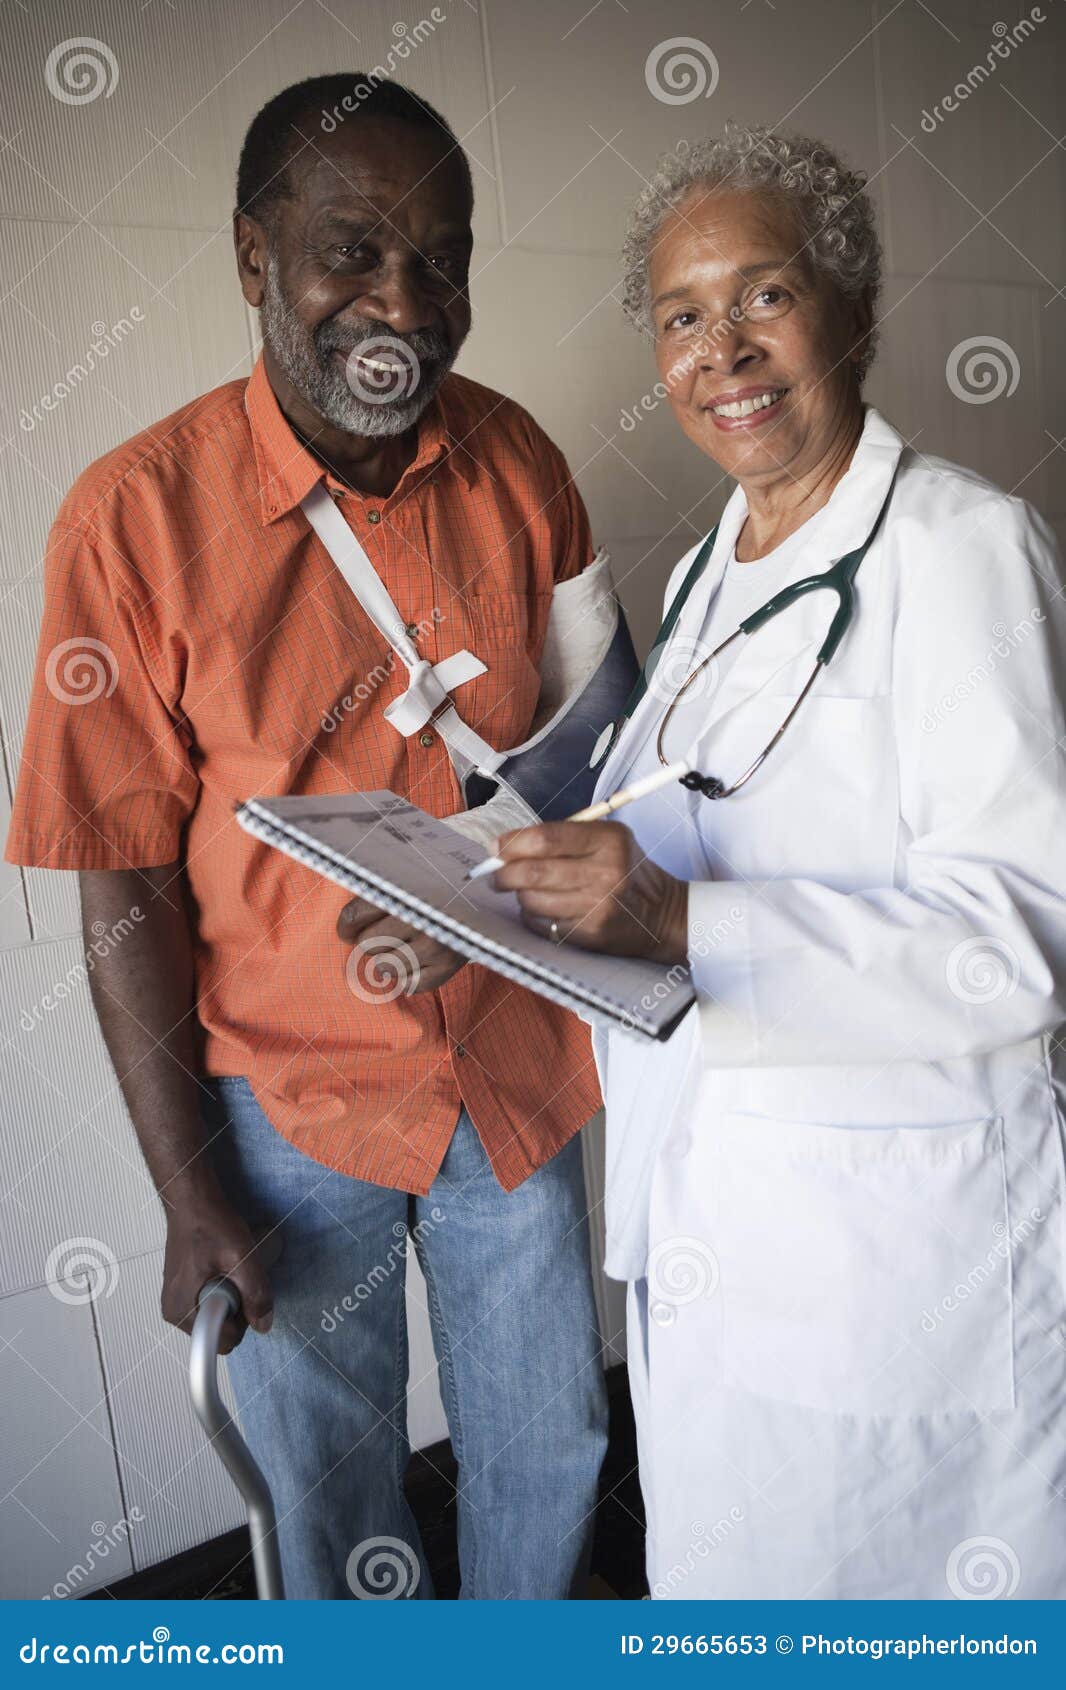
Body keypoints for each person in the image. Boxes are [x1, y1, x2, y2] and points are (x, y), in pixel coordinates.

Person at [4, 76, 611, 1601]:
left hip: (512, 1067)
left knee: (552, 1448)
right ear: (251, 256)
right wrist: (189, 1188)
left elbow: (603, 747)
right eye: (353, 250)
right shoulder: (131, 519)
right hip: (288, 1110)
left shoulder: (522, 463)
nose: (403, 300)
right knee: (326, 1494)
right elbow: (122, 878)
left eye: (441, 259)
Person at [488, 123, 1066, 1599]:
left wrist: (689, 924)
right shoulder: (706, 572)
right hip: (711, 1233)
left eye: (764, 295)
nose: (722, 351)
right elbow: (664, 838)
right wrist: (494, 903)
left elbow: (1024, 936)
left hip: (888, 1263)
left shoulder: (962, 548)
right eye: (682, 316)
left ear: (852, 311)